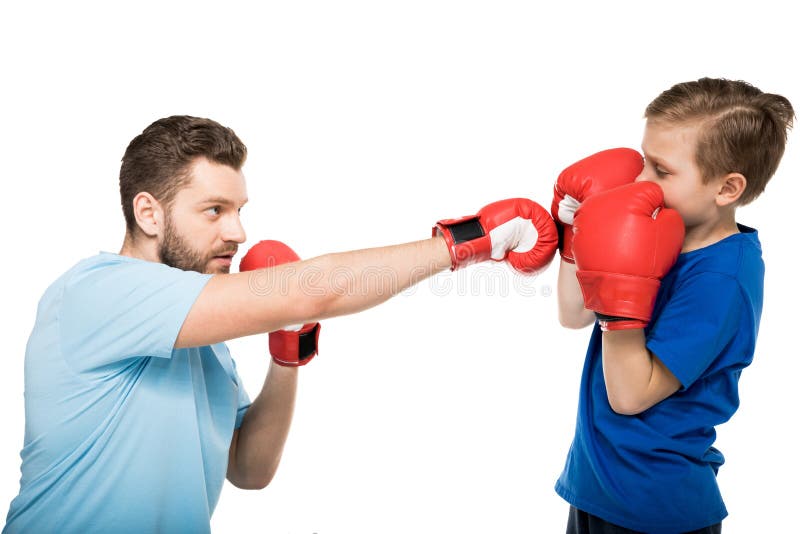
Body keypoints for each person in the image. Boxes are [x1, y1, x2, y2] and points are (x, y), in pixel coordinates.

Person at [3, 115, 558, 533]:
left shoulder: (203, 336)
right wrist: (471, 239)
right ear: (148, 213)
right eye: (214, 210)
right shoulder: (97, 291)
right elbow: (317, 287)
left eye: (240, 209)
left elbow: (249, 468)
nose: (238, 232)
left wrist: (287, 354)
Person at [551, 78, 794, 533]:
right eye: (644, 160)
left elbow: (629, 396)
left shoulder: (722, 280)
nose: (641, 180)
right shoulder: (656, 230)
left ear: (727, 189)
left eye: (661, 171)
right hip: (595, 485)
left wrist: (622, 283)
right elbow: (573, 314)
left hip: (656, 508)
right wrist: (576, 237)